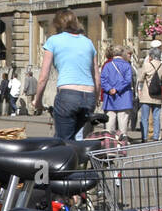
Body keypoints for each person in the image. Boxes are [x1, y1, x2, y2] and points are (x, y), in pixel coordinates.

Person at [34, 9, 99, 141]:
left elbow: (43, 77)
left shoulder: (53, 41)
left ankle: (67, 160)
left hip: (68, 96)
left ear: (57, 25)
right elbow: (96, 77)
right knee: (77, 138)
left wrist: (38, 101)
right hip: (89, 96)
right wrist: (95, 100)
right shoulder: (88, 42)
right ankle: (78, 160)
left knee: (63, 141)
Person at [100, 44, 136, 136]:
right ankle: (122, 146)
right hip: (123, 97)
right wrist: (117, 89)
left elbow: (103, 80)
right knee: (123, 126)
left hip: (110, 98)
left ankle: (110, 145)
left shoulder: (107, 66)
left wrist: (110, 89)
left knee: (109, 126)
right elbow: (128, 80)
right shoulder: (127, 65)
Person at [138, 41, 162, 142]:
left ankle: (144, 137)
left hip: (146, 95)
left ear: (151, 55)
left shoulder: (147, 65)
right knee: (156, 117)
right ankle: (156, 136)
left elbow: (140, 79)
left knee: (145, 117)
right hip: (157, 95)